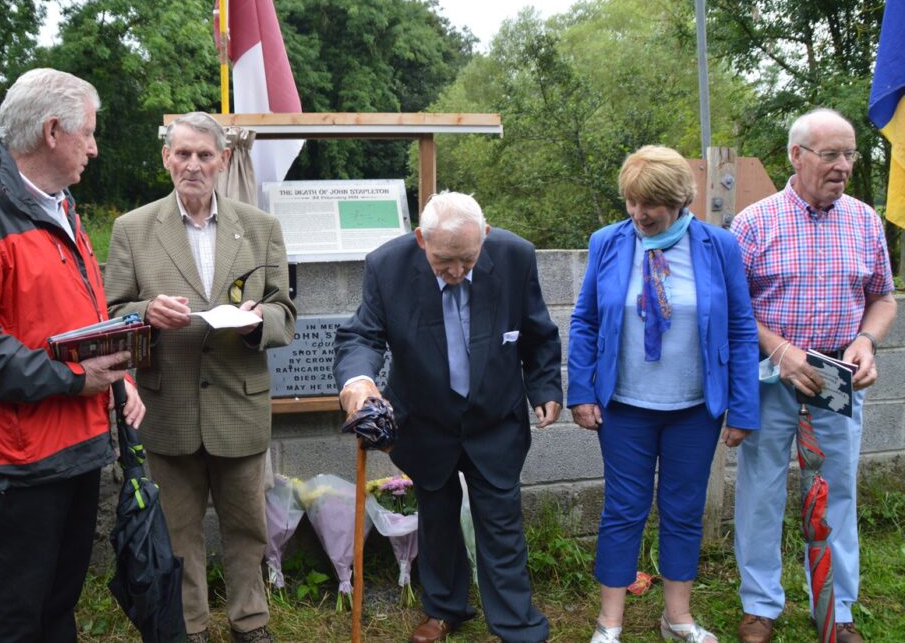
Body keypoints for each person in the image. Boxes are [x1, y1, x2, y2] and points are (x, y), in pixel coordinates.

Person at [0, 68, 146, 643]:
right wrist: (76, 377)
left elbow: (70, 313)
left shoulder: (61, 206)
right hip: (20, 457)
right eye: (89, 134)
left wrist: (116, 370)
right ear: (52, 131)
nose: (95, 149)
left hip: (76, 441)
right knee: (19, 614)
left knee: (57, 606)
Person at [333, 191, 562, 643]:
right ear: (421, 240)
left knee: (501, 523)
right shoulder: (387, 265)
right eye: (444, 260)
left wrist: (545, 386)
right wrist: (359, 384)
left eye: (467, 259)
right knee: (435, 518)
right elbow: (362, 336)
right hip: (425, 417)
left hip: (495, 418)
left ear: (486, 237)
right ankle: (444, 609)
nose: (456, 271)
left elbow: (539, 332)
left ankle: (516, 625)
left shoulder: (516, 257)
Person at [104, 111, 296, 643]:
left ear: (223, 160)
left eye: (204, 155)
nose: (193, 165)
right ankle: (187, 629)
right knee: (177, 533)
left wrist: (260, 323)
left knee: (247, 529)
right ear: (166, 157)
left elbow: (285, 309)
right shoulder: (132, 229)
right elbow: (111, 312)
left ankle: (250, 623)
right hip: (168, 409)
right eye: (182, 154)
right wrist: (144, 312)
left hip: (239, 401)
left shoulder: (260, 228)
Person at [568, 145, 759, 643]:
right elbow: (586, 320)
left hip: (695, 409)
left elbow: (740, 328)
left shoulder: (720, 247)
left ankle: (677, 618)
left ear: (678, 200)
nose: (638, 214)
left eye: (649, 204)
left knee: (682, 508)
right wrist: (581, 390)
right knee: (623, 507)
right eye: (631, 202)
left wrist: (742, 406)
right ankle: (609, 623)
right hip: (624, 407)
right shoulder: (607, 243)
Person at [731, 109, 897, 643]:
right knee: (762, 490)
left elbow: (882, 298)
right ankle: (760, 606)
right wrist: (781, 352)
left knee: (838, 491)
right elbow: (734, 310)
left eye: (849, 154)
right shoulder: (754, 223)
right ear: (796, 156)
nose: (844, 166)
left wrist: (866, 341)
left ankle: (837, 608)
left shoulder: (866, 220)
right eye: (831, 155)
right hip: (771, 376)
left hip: (836, 378)